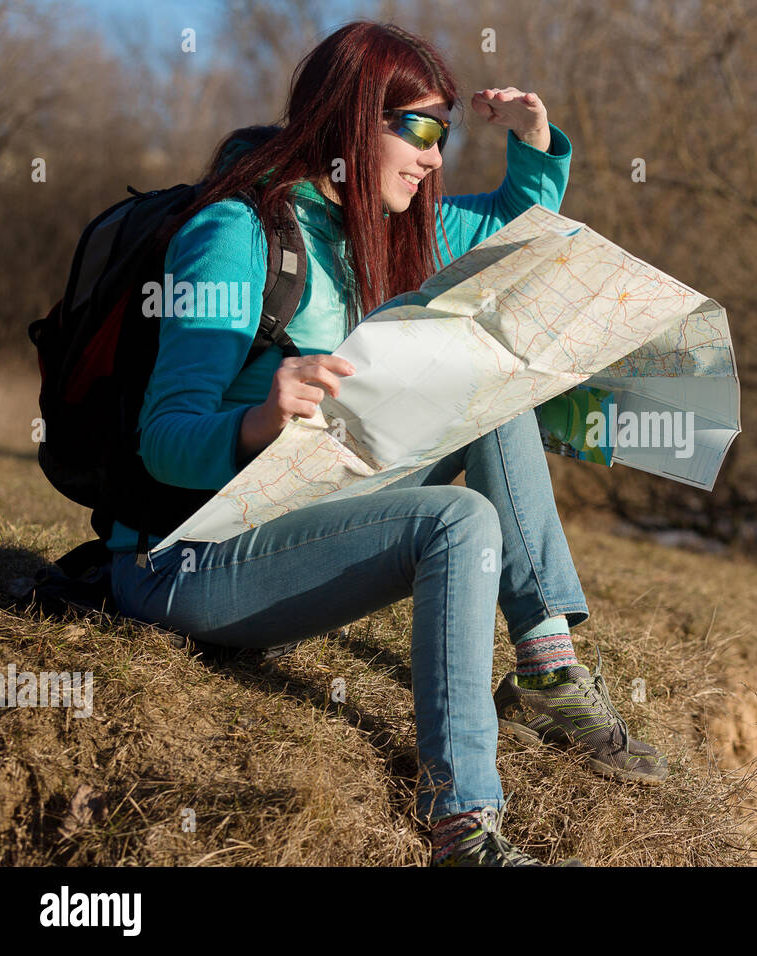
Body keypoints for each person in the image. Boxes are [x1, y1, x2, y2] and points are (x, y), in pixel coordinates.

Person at [107, 20, 665, 868]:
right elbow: (164, 443)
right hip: (184, 558)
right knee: (456, 523)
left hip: (294, 518)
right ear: (350, 119)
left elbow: (520, 229)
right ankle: (464, 830)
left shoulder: (390, 228)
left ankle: (549, 670)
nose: (437, 156)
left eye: (448, 130)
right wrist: (258, 419)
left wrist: (536, 144)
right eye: (421, 128)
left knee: (496, 394)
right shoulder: (235, 234)